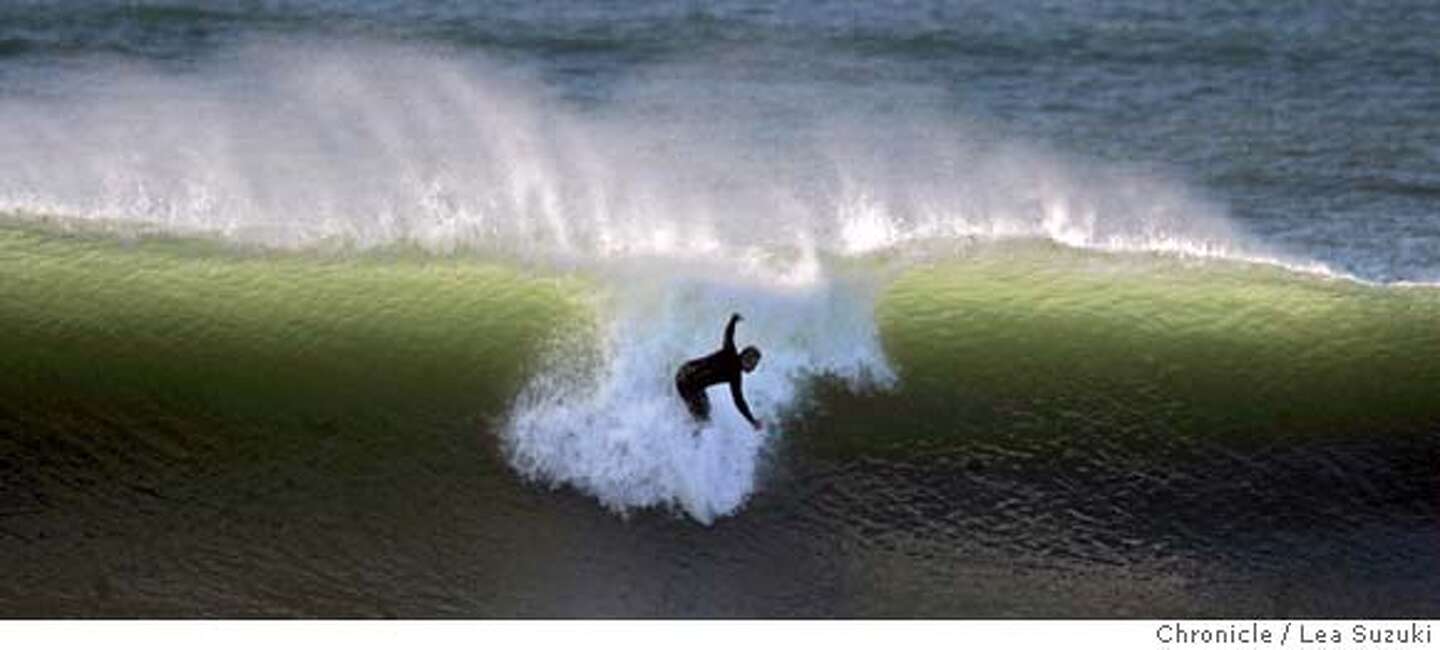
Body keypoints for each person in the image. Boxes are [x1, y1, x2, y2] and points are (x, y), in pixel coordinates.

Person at [675, 312, 763, 430]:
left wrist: (732, 321)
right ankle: (685, 436)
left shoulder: (729, 352)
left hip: (685, 370)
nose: (754, 368)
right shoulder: (734, 374)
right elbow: (739, 402)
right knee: (703, 420)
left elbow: (728, 335)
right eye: (753, 363)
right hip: (688, 383)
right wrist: (752, 421)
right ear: (745, 359)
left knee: (705, 409)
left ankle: (683, 424)